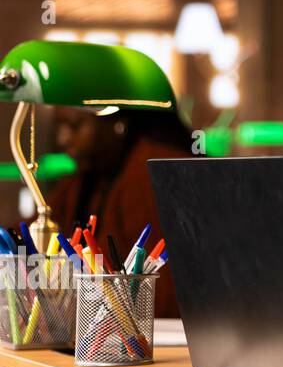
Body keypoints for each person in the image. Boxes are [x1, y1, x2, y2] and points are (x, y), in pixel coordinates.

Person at [46, 106, 195, 319]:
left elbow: (162, 297)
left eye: (74, 125)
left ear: (117, 123)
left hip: (148, 335)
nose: (63, 139)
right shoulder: (87, 176)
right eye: (59, 126)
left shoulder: (148, 173)